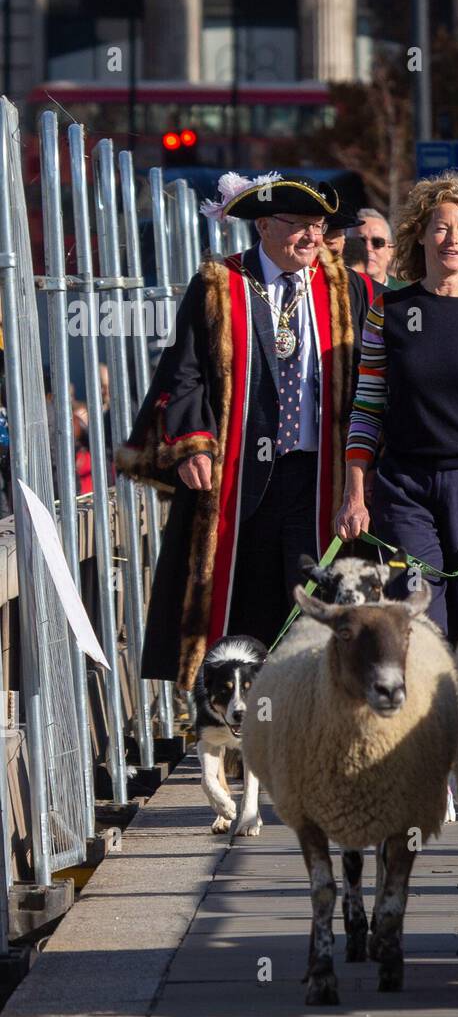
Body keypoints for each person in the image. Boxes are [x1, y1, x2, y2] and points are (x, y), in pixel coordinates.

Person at [118, 173, 370, 688]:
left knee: (313, 601)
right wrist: (192, 443)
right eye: (298, 224)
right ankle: (239, 713)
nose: (312, 236)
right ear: (264, 226)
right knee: (243, 602)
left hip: (318, 476)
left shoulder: (346, 290)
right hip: (239, 478)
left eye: (318, 225)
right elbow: (184, 372)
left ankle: (310, 707)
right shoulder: (219, 283)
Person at [336, 173, 458, 642]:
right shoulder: (387, 310)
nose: (453, 239)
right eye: (442, 228)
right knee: (420, 625)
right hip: (406, 490)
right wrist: (355, 494)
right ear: (421, 235)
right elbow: (367, 409)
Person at [350, 207, 400, 288]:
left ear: (390, 251)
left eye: (377, 242)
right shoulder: (334, 289)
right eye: (360, 241)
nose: (368, 248)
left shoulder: (406, 292)